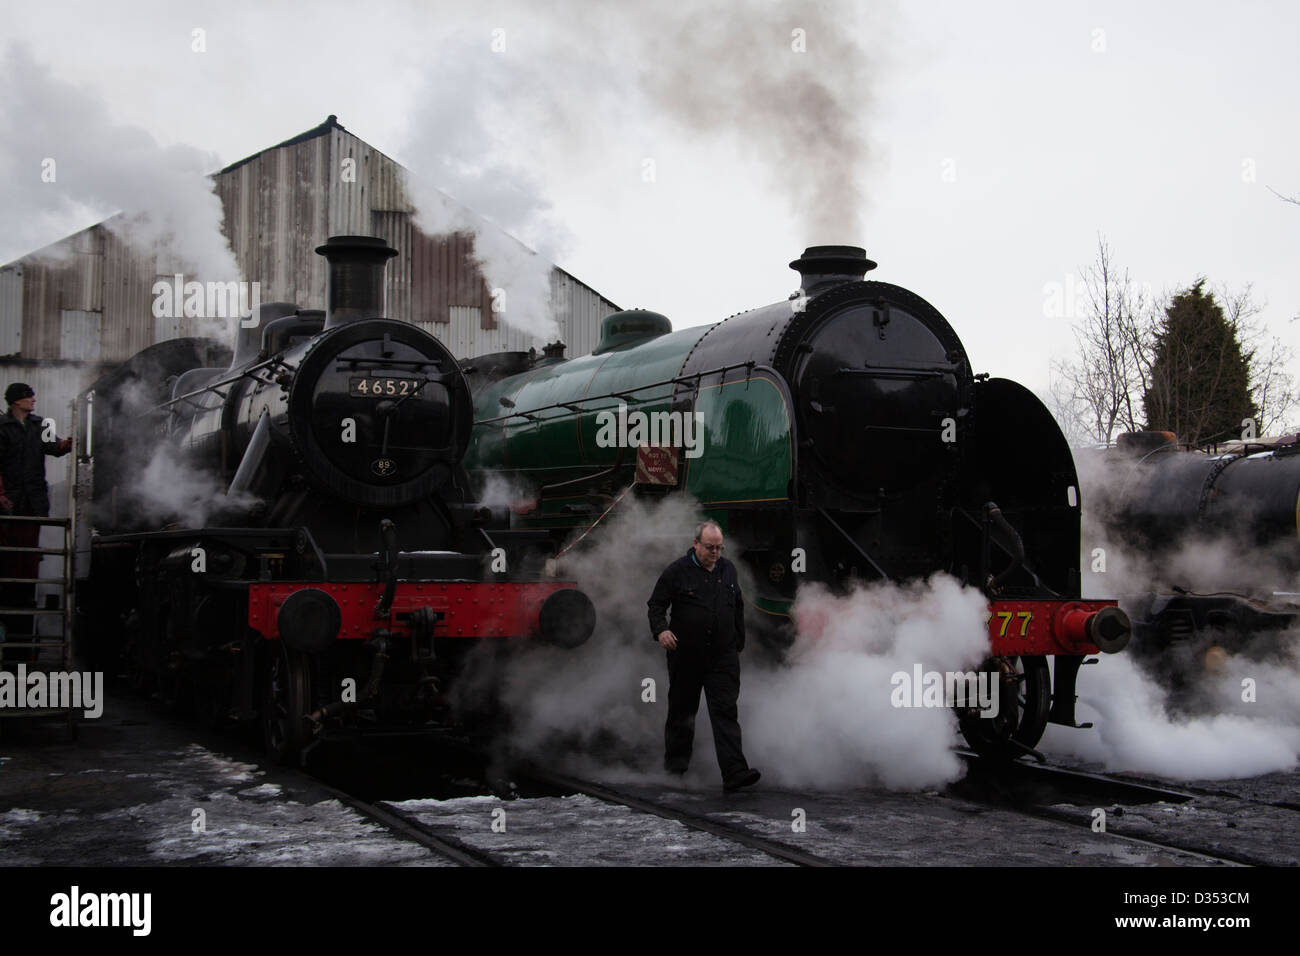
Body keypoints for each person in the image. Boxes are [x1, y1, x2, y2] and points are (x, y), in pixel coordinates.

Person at [647, 520, 761, 792]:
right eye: (710, 547)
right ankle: (675, 769)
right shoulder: (676, 571)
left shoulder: (728, 569)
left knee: (725, 711)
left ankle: (734, 772)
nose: (716, 553)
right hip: (686, 655)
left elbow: (738, 607)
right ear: (695, 543)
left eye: (720, 548)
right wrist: (661, 631)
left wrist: (738, 643)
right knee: (682, 711)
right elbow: (656, 605)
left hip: (722, 656)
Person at [0, 384, 72, 662]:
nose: (33, 399)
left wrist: (69, 443)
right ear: (17, 401)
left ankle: (22, 639)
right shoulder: (2, 428)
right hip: (10, 504)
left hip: (32, 502)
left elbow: (54, 448)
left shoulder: (39, 424)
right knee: (9, 559)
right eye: (29, 396)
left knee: (27, 561)